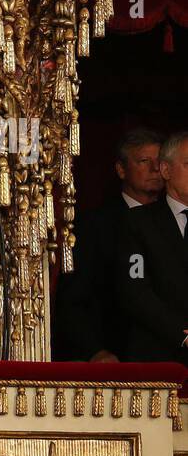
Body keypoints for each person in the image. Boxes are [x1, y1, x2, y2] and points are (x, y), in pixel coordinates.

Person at [54, 127, 164, 362]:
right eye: (144, 161)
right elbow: (73, 299)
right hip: (115, 357)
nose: (155, 169)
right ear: (121, 169)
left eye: (160, 161)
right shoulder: (95, 225)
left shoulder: (176, 220)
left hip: (167, 356)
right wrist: (94, 351)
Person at [117, 130, 188, 365]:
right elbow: (136, 292)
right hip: (157, 360)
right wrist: (182, 334)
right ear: (166, 171)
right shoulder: (137, 222)